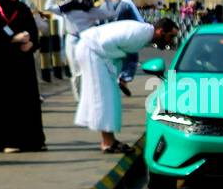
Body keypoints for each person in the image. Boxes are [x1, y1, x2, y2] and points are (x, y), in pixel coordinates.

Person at [75, 16, 178, 153]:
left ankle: (109, 139)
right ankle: (107, 143)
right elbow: (105, 43)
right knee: (105, 98)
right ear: (160, 31)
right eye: (170, 36)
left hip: (95, 53)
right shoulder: (141, 34)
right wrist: (118, 58)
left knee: (109, 98)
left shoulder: (144, 34)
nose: (171, 41)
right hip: (93, 52)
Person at [0, 0, 47, 153]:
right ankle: (8, 141)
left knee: (27, 100)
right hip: (2, 65)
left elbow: (33, 32)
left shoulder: (23, 9)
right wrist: (12, 39)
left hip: (23, 64)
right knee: (6, 102)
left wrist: (31, 43)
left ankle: (31, 140)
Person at [105, 0, 144, 96]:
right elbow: (135, 20)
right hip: (124, 36)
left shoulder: (104, 6)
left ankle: (111, 83)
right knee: (131, 59)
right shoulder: (125, 6)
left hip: (108, 37)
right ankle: (124, 79)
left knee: (112, 61)